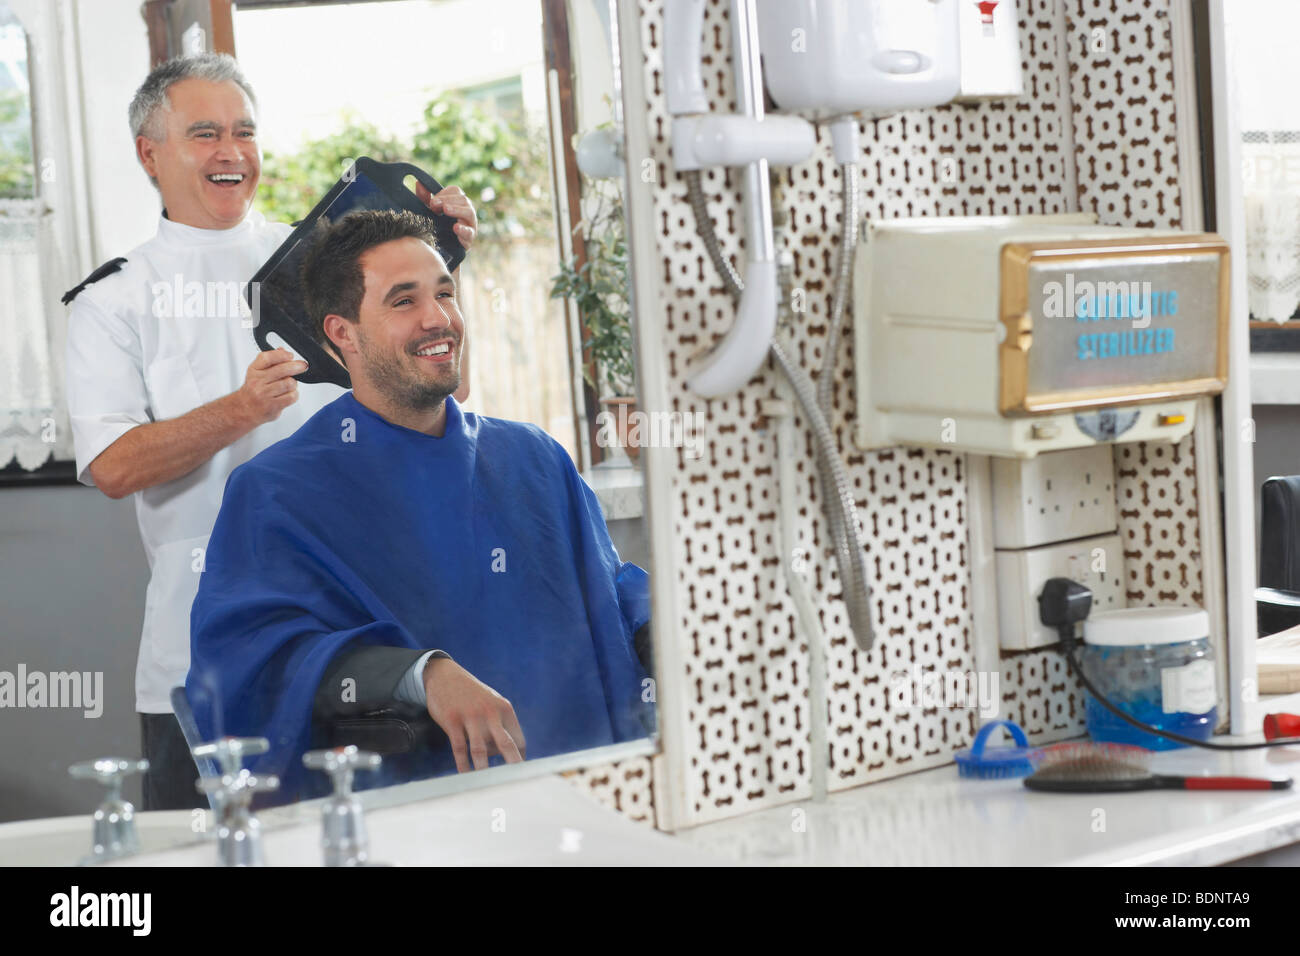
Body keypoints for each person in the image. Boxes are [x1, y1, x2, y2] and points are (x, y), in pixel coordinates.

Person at [63, 53, 477, 810]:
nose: (232, 152)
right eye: (205, 133)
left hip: (360, 635)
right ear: (148, 153)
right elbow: (114, 466)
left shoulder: (330, 261)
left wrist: (443, 259)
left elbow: (429, 394)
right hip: (200, 665)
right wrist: (238, 411)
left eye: (244, 131)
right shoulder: (115, 301)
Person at [186, 210, 652, 802]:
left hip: (583, 798)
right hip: (418, 819)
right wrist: (420, 673)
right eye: (403, 301)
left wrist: (672, 628)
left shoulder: (533, 458)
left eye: (445, 294)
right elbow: (255, 663)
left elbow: (608, 589)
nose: (439, 319)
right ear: (343, 334)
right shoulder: (279, 490)